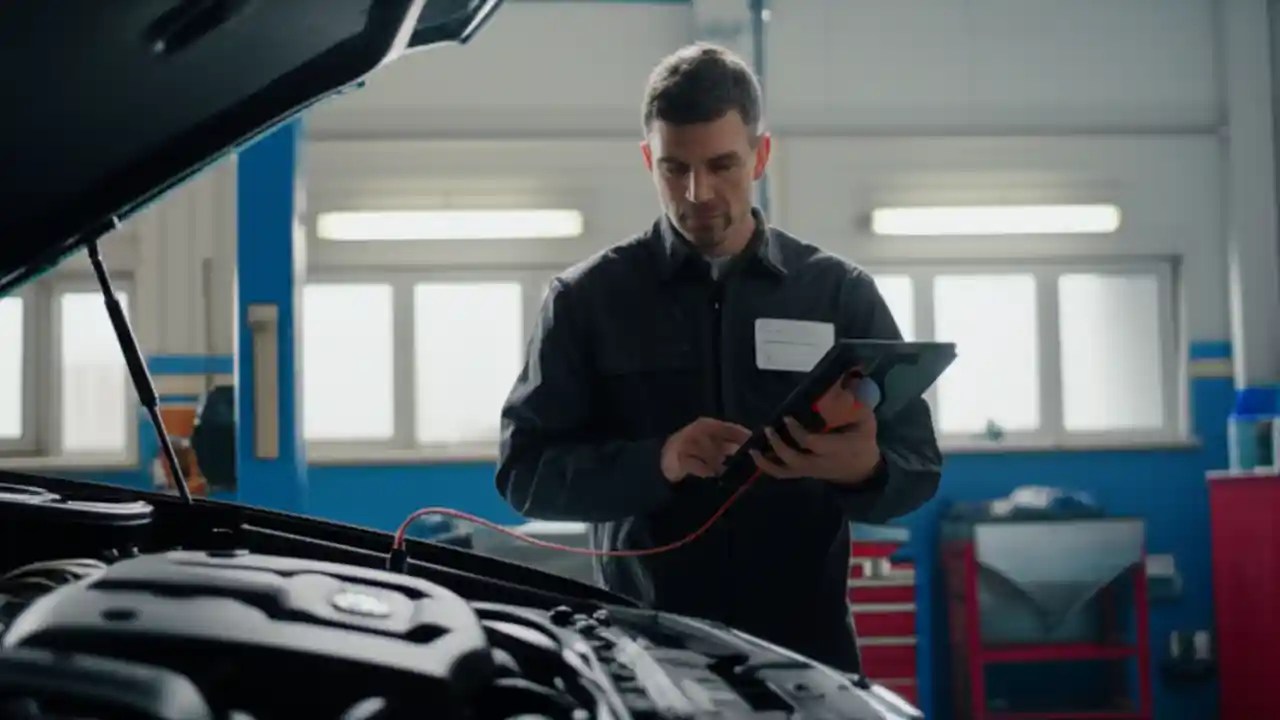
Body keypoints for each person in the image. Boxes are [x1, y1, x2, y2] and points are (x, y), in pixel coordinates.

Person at [495, 42, 941, 673]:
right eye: (674, 168)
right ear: (648, 159)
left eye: (721, 165)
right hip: (648, 652)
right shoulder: (586, 300)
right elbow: (525, 473)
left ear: (760, 155)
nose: (697, 191)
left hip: (805, 652)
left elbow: (918, 464)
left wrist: (866, 470)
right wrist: (660, 460)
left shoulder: (838, 293)